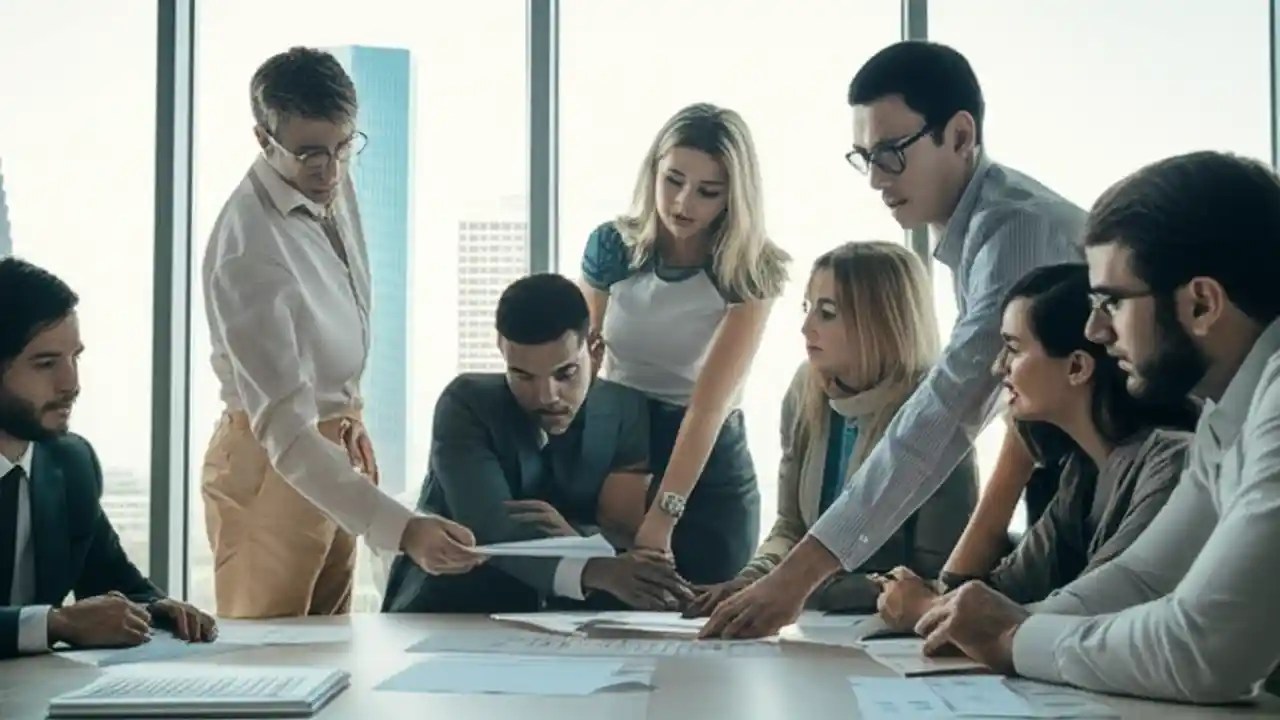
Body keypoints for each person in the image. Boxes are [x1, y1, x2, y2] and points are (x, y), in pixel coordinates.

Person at [700, 40, 1087, 639]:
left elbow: (947, 412)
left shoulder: (1016, 231)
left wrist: (799, 578)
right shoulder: (979, 236)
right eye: (865, 158)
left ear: (960, 136)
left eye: (891, 154)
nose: (877, 179)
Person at [914, 151, 1280, 703]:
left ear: (1202, 303)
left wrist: (1016, 637)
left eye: (1110, 301)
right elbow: (1142, 580)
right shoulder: (1227, 412)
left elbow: (1206, 650)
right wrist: (1006, 625)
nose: (1095, 330)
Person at [202, 46, 480, 619]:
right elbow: (282, 427)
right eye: (309, 153)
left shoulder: (330, 179)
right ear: (263, 139)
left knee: (331, 655)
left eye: (342, 147)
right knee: (269, 667)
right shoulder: (248, 247)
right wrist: (401, 529)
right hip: (274, 462)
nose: (330, 169)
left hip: (338, 454)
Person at [876, 263, 1195, 631]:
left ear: (1077, 367)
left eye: (1013, 348)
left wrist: (927, 608)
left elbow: (1094, 615)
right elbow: (993, 593)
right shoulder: (1082, 473)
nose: (999, 367)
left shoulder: (1171, 464)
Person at [685, 242, 977, 617]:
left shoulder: (933, 414)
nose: (806, 327)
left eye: (826, 313)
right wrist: (751, 580)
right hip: (815, 625)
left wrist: (800, 587)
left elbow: (932, 575)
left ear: (880, 320)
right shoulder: (806, 391)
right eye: (807, 309)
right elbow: (790, 526)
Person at [382, 274, 691, 613]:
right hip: (447, 610)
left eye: (565, 373)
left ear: (596, 351)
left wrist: (573, 534)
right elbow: (489, 527)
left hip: (568, 623)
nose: (546, 396)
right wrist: (592, 564)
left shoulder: (624, 412)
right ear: (501, 352)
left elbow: (621, 534)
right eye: (523, 375)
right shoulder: (466, 405)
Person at [579, 103, 790, 585]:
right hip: (619, 452)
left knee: (701, 642)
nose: (683, 203)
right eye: (672, 180)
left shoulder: (748, 270)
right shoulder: (613, 247)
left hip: (705, 467)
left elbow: (708, 407)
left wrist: (663, 517)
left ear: (733, 197)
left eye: (707, 192)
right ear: (652, 170)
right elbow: (577, 368)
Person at [0, 258, 216, 659]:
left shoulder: (69, 463)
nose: (71, 383)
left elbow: (113, 582)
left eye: (74, 358)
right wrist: (54, 624)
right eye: (46, 364)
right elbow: (68, 621)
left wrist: (157, 609)